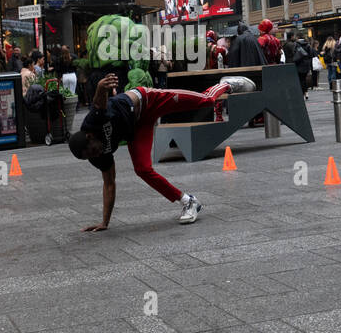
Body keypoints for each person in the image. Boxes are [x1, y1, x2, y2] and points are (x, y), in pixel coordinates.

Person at [69, 73, 241, 230]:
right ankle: (189, 202)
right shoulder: (98, 158)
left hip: (148, 100)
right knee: (142, 169)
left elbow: (99, 102)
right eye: (92, 156)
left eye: (93, 150)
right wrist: (104, 222)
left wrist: (100, 85)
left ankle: (226, 84)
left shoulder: (93, 122)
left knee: (206, 101)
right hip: (137, 127)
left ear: (90, 137)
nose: (97, 154)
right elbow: (109, 184)